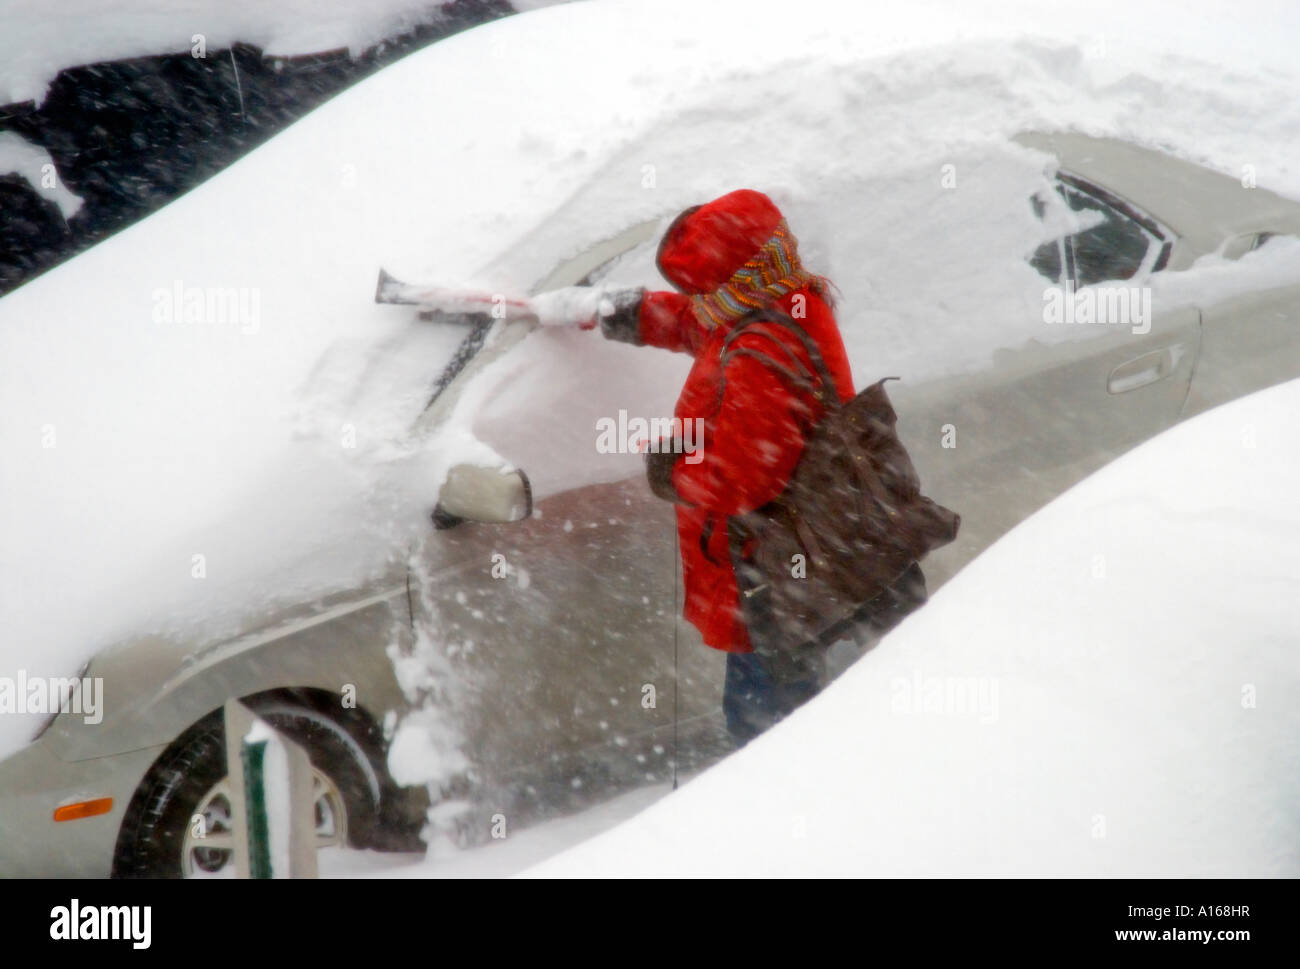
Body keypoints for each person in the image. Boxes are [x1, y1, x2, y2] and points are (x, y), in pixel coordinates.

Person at [534, 189, 926, 744]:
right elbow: (699, 326)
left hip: (770, 568)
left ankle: (782, 814)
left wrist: (672, 468)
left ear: (727, 285)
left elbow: (742, 479)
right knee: (804, 712)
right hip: (806, 555)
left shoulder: (760, 346)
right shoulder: (787, 300)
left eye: (700, 289)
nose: (697, 301)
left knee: (763, 729)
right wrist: (623, 312)